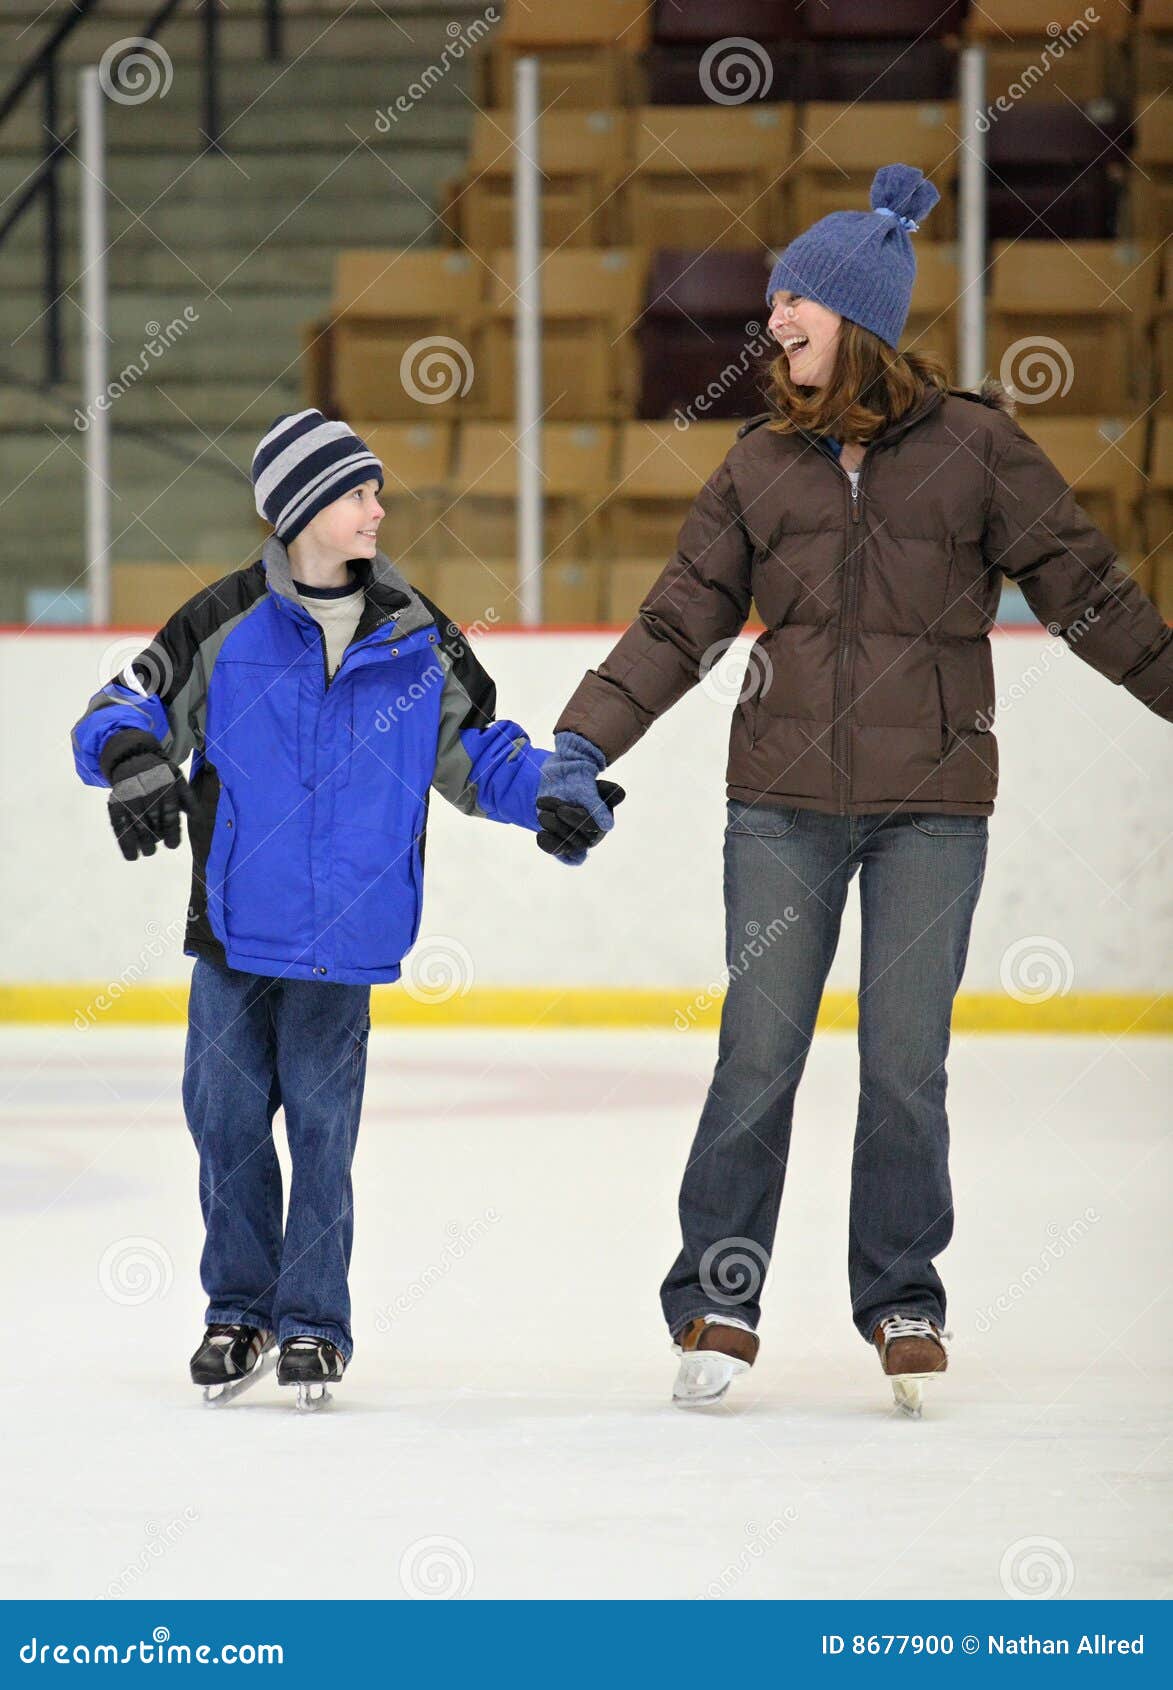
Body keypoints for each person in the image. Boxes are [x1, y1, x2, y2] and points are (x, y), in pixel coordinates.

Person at [538, 162, 1173, 1414]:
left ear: (858, 316)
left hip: (932, 807)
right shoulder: (760, 462)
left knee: (904, 1064)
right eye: (770, 303)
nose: (771, 323)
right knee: (757, 1056)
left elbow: (1086, 589)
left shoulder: (981, 448)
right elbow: (678, 624)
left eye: (793, 303)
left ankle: (901, 1298)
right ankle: (719, 1298)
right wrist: (580, 743)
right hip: (778, 805)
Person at [70, 410, 620, 1408]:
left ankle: (315, 1322)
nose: (377, 508)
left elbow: (479, 753)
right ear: (301, 510)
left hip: (348, 938)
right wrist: (132, 755)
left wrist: (548, 792)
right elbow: (122, 703)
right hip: (235, 932)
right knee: (226, 1120)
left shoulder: (417, 635)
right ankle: (238, 1309)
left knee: (323, 1128)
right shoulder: (224, 620)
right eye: (357, 492)